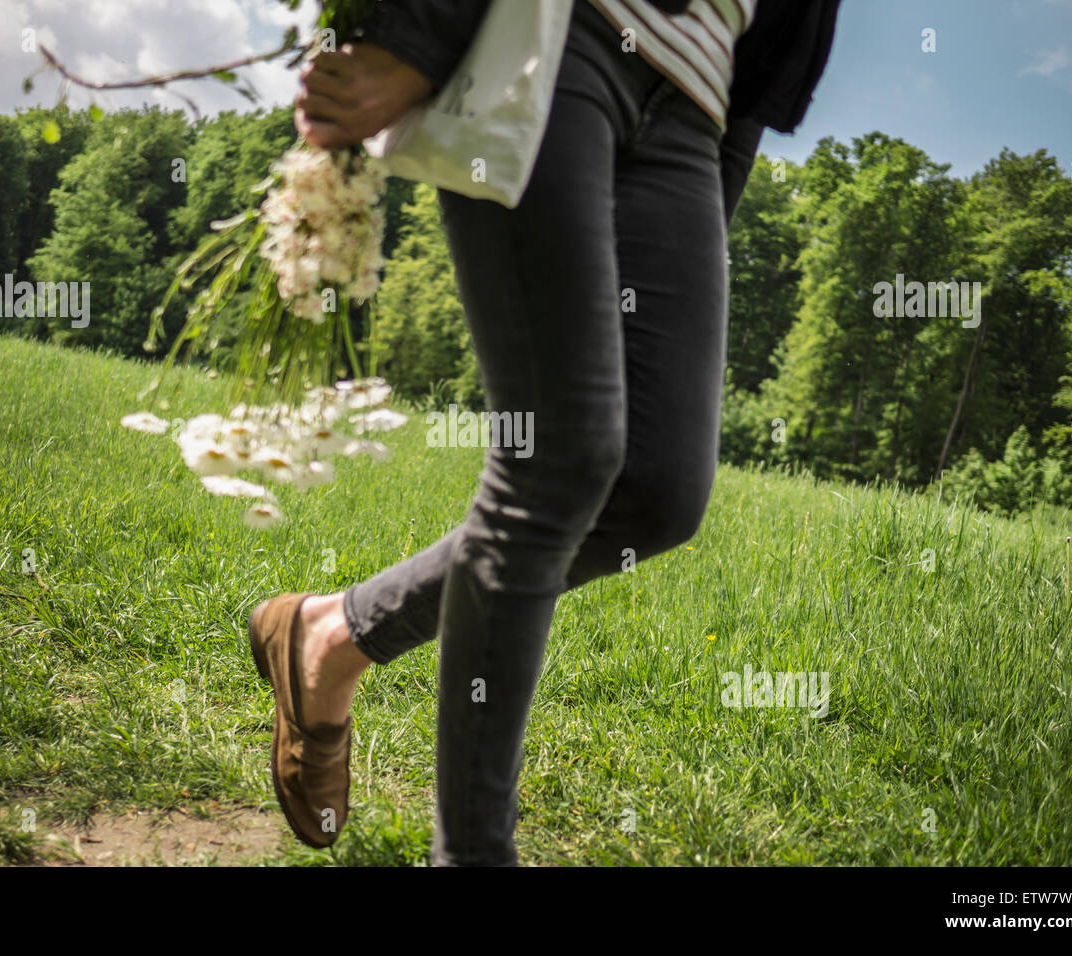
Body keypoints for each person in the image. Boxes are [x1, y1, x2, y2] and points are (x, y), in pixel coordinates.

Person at [248, 0, 841, 866]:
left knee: (657, 495)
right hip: (560, 44)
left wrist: (727, 146)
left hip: (697, 100)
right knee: (557, 462)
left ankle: (331, 633)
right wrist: (419, 29)